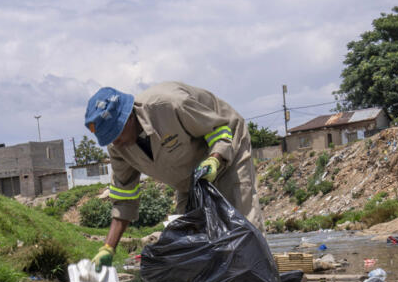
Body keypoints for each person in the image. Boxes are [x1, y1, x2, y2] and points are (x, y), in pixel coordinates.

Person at [83, 82, 264, 269]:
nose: (116, 143)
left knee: (242, 225)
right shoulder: (118, 148)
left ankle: (259, 280)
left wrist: (214, 160)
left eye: (117, 135)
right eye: (110, 139)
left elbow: (219, 129)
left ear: (128, 117)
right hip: (188, 176)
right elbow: (124, 199)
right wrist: (108, 248)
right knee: (189, 241)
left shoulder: (170, 105)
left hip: (227, 146)